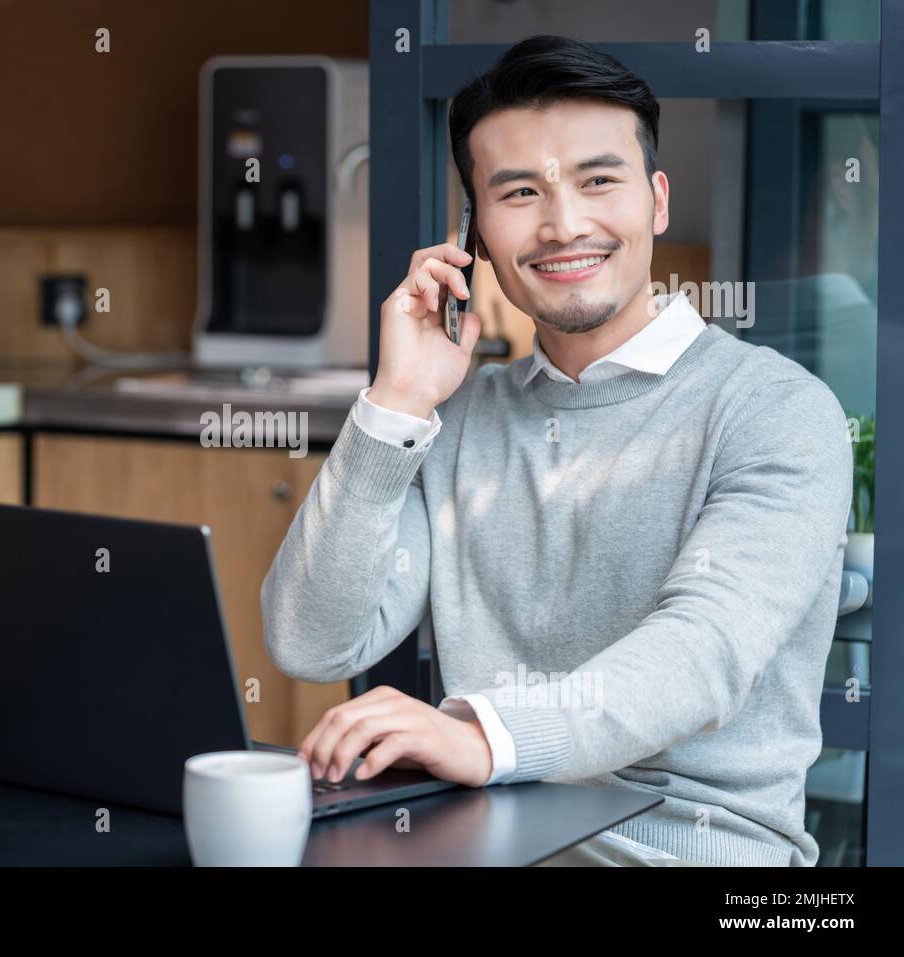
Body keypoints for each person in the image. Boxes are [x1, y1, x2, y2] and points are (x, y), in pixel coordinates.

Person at [259, 34, 852, 866]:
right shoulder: (455, 418)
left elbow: (703, 653)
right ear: (474, 235)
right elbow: (313, 640)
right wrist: (393, 405)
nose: (563, 223)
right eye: (520, 192)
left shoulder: (776, 409)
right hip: (475, 837)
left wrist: (480, 733)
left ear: (657, 200)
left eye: (598, 180)